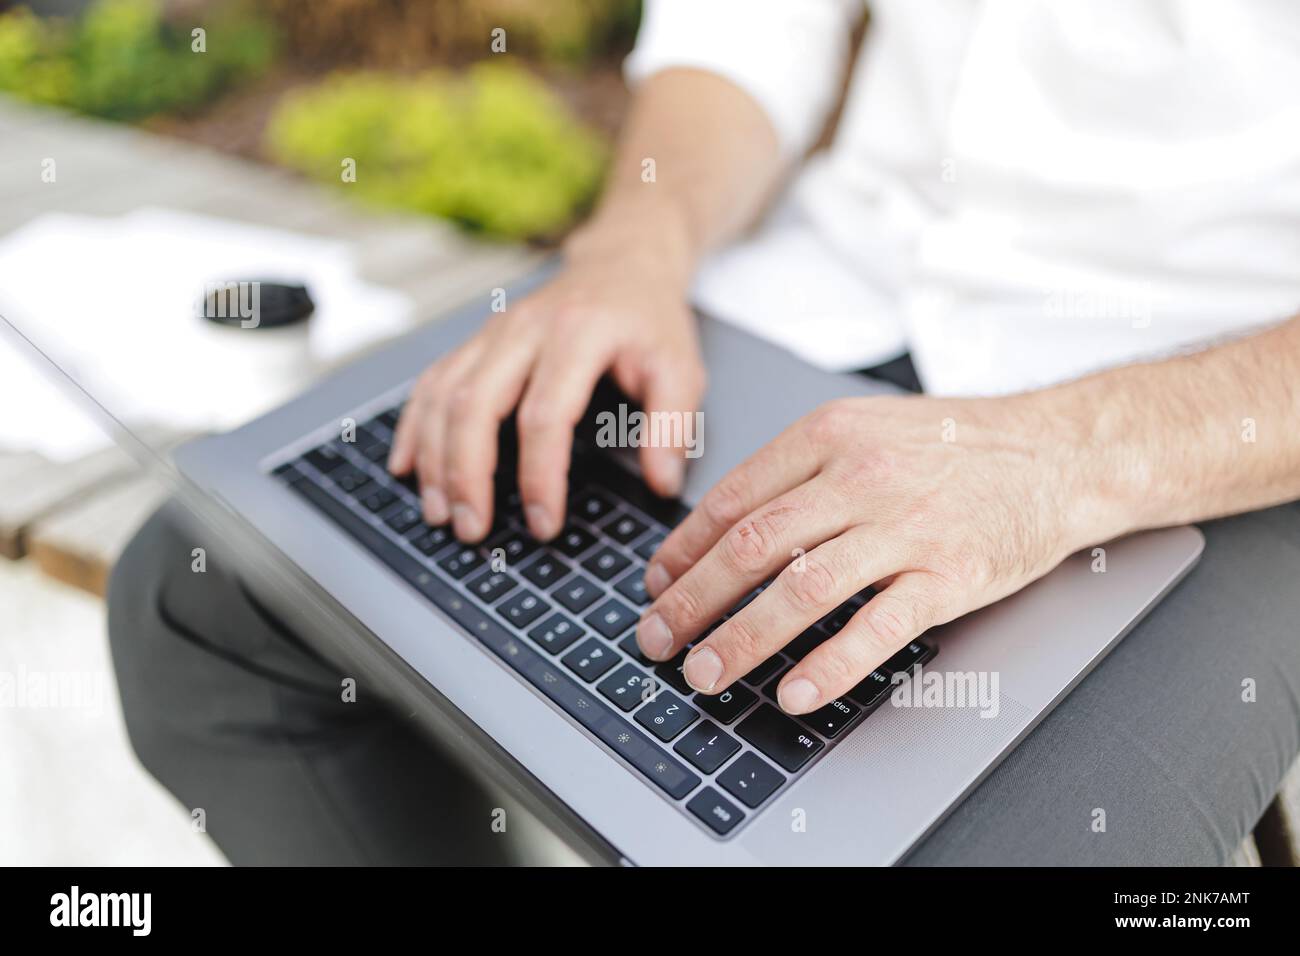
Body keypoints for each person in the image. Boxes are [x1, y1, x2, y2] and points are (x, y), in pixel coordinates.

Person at [110, 0, 1300, 864]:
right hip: (843, 276)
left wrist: (1062, 456)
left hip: (1212, 431)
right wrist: (635, 244)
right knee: (213, 592)